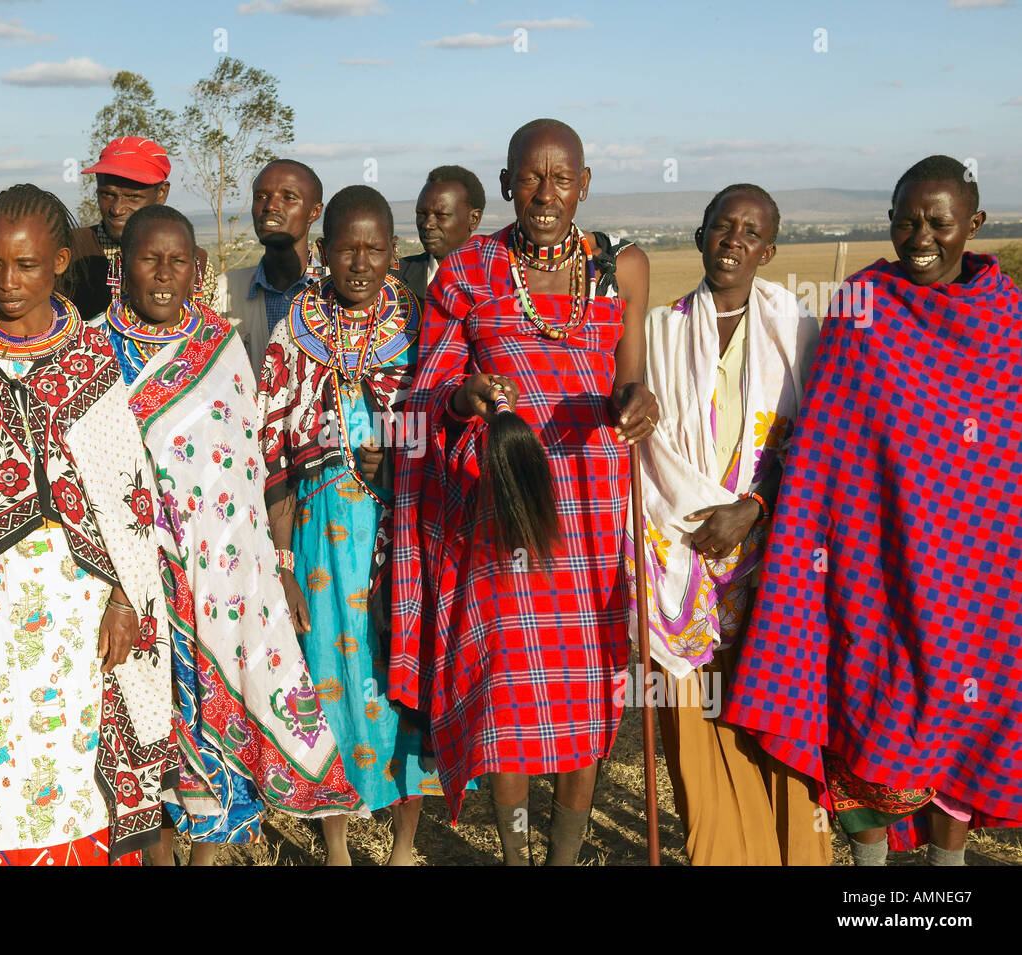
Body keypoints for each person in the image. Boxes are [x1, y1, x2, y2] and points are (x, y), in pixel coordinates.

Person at [723, 155, 1022, 866]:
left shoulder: (1006, 322)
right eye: (905, 220)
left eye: (939, 222)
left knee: (964, 712)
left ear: (973, 226)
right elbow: (825, 443)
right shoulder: (863, 307)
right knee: (868, 702)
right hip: (872, 564)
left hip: (978, 575)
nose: (920, 236)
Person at [392, 118, 658, 866]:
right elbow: (423, 397)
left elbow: (628, 377)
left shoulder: (622, 268)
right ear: (507, 184)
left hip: (591, 510)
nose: (546, 194)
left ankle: (564, 858)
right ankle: (516, 856)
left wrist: (639, 403)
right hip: (500, 510)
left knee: (584, 691)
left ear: (585, 185)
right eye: (530, 178)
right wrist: (464, 397)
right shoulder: (467, 272)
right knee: (503, 688)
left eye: (562, 178)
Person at [0, 184, 176, 867]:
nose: (7, 281)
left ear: (58, 262)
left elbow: (127, 493)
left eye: (25, 265)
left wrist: (123, 599)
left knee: (80, 760)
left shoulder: (89, 359)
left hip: (83, 609)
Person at [101, 204, 364, 865]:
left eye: (178, 261)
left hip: (218, 579)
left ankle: (206, 856)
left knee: (213, 724)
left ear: (198, 267)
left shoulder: (220, 347)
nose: (164, 275)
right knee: (144, 732)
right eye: (147, 259)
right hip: (128, 583)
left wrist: (264, 567)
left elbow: (245, 470)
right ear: (121, 265)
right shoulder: (90, 350)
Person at [625, 184, 827, 865]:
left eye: (750, 232)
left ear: (768, 250)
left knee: (780, 723)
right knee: (698, 733)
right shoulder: (656, 331)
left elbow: (815, 446)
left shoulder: (799, 329)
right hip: (679, 560)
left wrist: (756, 507)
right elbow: (637, 442)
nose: (733, 240)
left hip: (773, 566)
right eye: (722, 226)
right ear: (701, 234)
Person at [258, 185, 441, 866]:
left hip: (399, 536)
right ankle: (335, 846)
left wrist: (399, 452)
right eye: (345, 247)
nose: (359, 261)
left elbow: (443, 433)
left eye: (373, 247)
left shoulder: (420, 330)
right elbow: (268, 448)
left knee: (403, 681)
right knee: (326, 675)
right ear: (323, 251)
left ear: (393, 253)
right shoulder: (291, 331)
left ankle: (404, 846)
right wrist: (282, 565)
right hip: (316, 543)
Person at [71, 137, 219, 322]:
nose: (117, 209)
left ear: (161, 193)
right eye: (107, 194)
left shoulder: (194, 262)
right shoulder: (70, 250)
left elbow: (209, 335)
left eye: (133, 197)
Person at [221, 159, 325, 374]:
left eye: (289, 198)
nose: (270, 206)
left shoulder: (335, 292)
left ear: (315, 212)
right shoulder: (223, 291)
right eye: (261, 197)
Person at [395, 165, 485, 300]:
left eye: (440, 215)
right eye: (421, 214)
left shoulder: (499, 280)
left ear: (474, 219)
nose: (427, 224)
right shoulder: (391, 279)